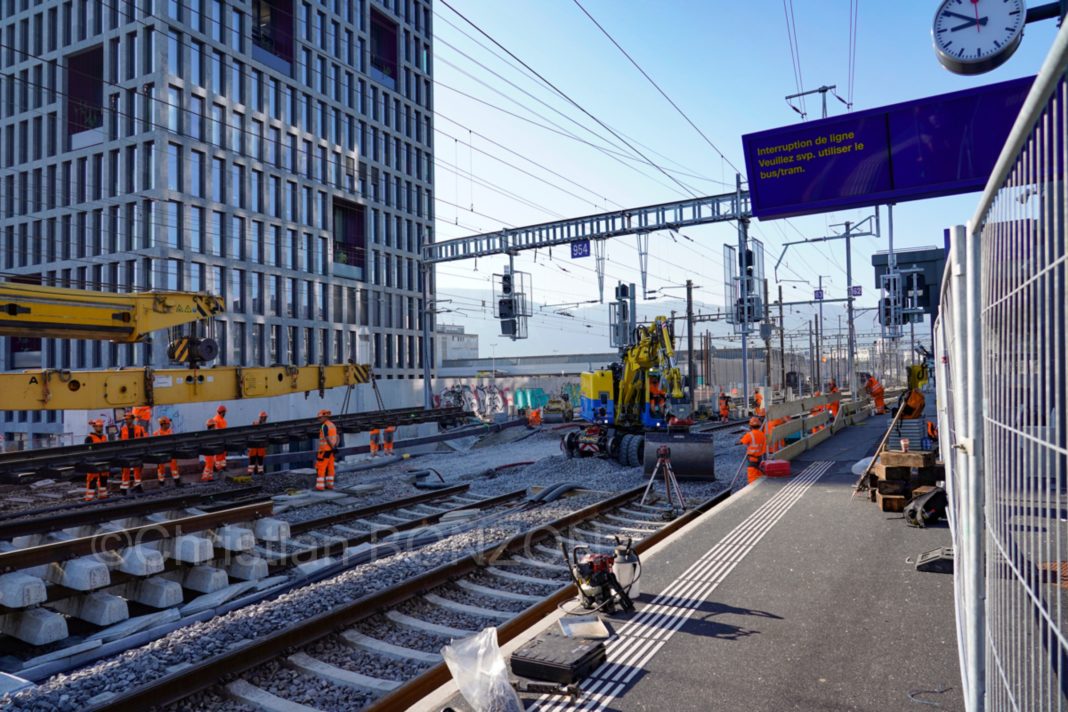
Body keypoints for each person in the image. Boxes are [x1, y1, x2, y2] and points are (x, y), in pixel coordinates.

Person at [119, 410, 147, 494]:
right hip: (126, 453)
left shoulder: (139, 429)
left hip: (137, 452)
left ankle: (138, 486)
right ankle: (124, 489)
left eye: (128, 419)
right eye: (126, 419)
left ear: (132, 419)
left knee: (137, 469)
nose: (127, 421)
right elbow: (119, 441)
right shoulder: (123, 429)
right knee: (125, 470)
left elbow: (143, 440)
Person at [83, 419, 109, 501]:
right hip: (93, 462)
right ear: (94, 427)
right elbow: (87, 451)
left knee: (104, 478)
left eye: (101, 426)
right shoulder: (89, 438)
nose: (100, 428)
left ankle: (103, 496)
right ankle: (89, 498)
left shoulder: (104, 437)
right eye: (98, 426)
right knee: (92, 479)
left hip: (103, 460)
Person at [153, 416, 182, 487]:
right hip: (161, 453)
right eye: (167, 424)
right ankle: (161, 483)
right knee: (161, 468)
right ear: (163, 424)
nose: (169, 425)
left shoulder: (170, 431)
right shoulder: (156, 433)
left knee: (174, 466)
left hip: (171, 451)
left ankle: (177, 481)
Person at [739, 416, 767, 485]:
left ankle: (752, 489)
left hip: (752, 459)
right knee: (759, 474)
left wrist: (740, 440)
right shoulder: (762, 434)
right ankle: (761, 485)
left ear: (750, 426)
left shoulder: (749, 434)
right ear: (759, 425)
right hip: (760, 458)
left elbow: (742, 442)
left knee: (752, 477)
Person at [315, 409, 338, 491]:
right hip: (331, 451)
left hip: (325, 450)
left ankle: (320, 486)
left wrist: (332, 447)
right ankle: (330, 485)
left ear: (325, 417)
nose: (319, 419)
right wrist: (335, 447)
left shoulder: (324, 426)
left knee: (321, 467)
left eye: (320, 418)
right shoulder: (332, 425)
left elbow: (327, 438)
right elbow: (337, 436)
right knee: (331, 467)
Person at [247, 411, 268, 476]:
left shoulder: (266, 426)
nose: (265, 419)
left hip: (260, 446)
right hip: (254, 446)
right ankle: (250, 473)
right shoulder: (255, 423)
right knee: (252, 461)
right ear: (261, 418)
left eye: (265, 418)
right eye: (264, 418)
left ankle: (260, 472)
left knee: (260, 460)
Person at [210, 405, 228, 473]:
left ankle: (223, 467)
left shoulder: (222, 420)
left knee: (223, 454)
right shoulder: (216, 419)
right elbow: (216, 431)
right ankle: (218, 468)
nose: (225, 414)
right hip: (218, 440)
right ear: (222, 412)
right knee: (218, 455)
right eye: (224, 412)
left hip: (222, 439)